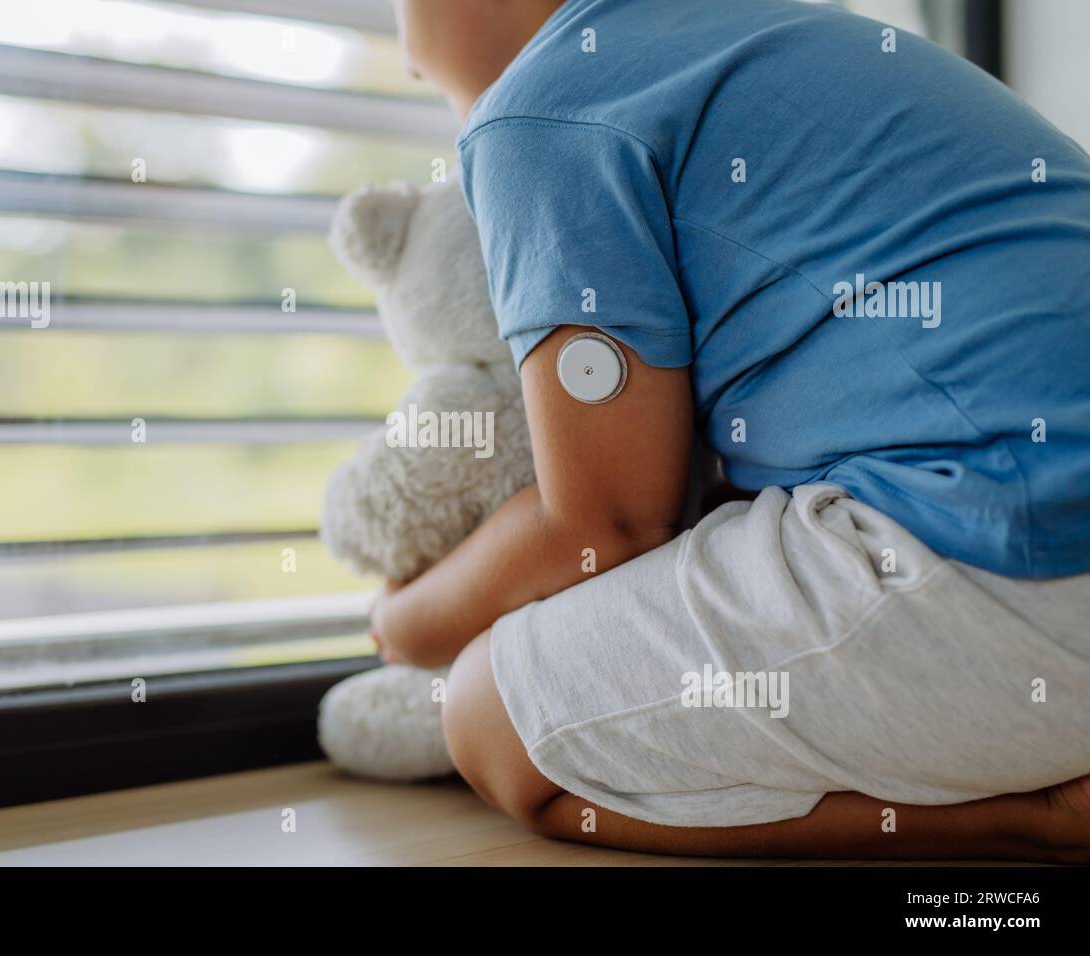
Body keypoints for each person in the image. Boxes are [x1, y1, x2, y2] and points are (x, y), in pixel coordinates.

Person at [371, 0, 1090, 861]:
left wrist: (401, 625)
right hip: (1035, 519)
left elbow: (607, 525)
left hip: (1023, 548)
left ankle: (1038, 814)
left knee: (485, 715)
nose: (407, 53)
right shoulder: (778, 34)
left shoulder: (536, 109)